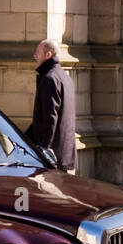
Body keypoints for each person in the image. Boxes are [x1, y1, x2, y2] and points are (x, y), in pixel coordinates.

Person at [25, 39, 76, 171]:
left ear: (48, 55)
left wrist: (44, 149)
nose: (34, 55)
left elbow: (49, 117)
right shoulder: (65, 77)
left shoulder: (50, 78)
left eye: (38, 52)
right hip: (63, 151)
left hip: (52, 155)